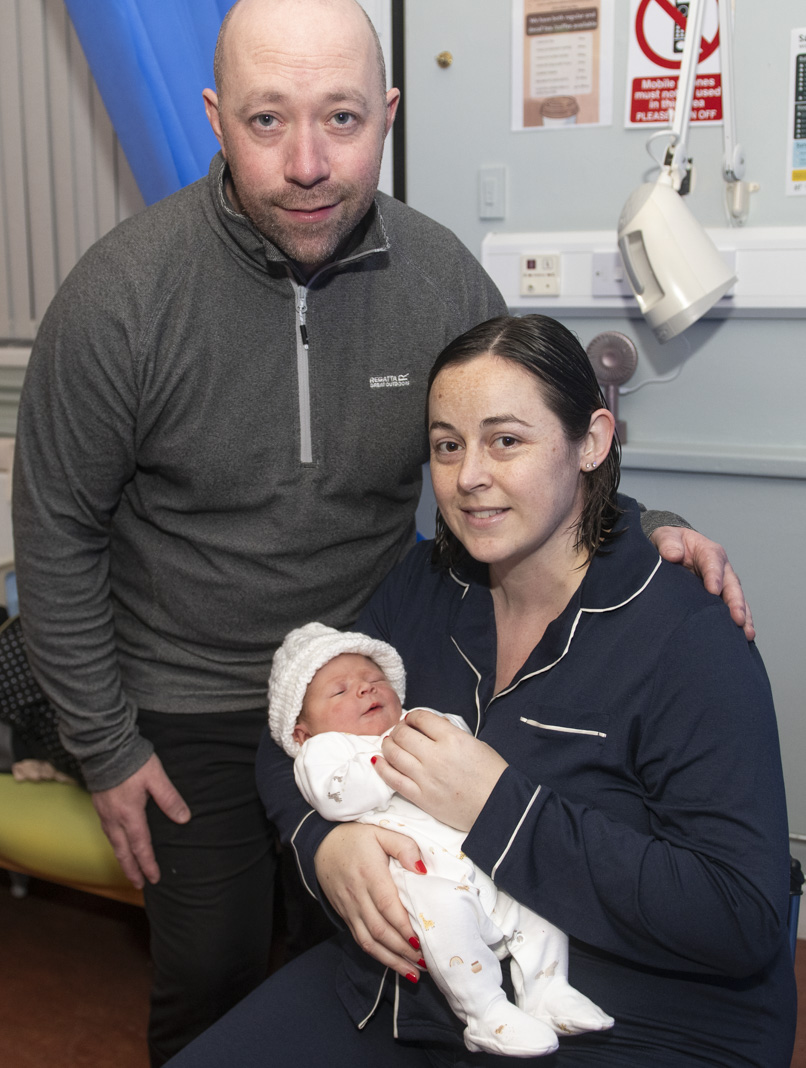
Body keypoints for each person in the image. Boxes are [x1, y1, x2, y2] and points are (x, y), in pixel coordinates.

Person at [11, 0, 752, 1062]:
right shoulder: (120, 301)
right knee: (211, 975)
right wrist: (108, 747)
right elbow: (56, 532)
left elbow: (527, 440)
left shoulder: (439, 276)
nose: (308, 163)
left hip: (374, 682)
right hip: (186, 703)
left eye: (342, 119)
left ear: (389, 116)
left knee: (391, 957)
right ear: (217, 118)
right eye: (268, 122)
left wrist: (649, 531)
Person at [165, 314, 795, 1068]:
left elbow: (740, 916)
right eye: (447, 445)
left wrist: (504, 809)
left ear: (592, 442)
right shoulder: (423, 589)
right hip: (404, 992)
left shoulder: (687, 638)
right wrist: (324, 842)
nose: (468, 477)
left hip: (631, 1016)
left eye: (506, 440)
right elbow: (295, 729)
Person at [268, 621, 614, 1057]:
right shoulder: (325, 751)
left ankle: (549, 989)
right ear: (301, 732)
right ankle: (486, 1012)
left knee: (538, 904)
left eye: (374, 681)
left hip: (480, 858)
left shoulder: (416, 722)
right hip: (424, 878)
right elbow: (336, 798)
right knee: (446, 924)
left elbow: (464, 753)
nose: (364, 690)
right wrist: (392, 757)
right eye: (339, 692)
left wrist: (437, 734)